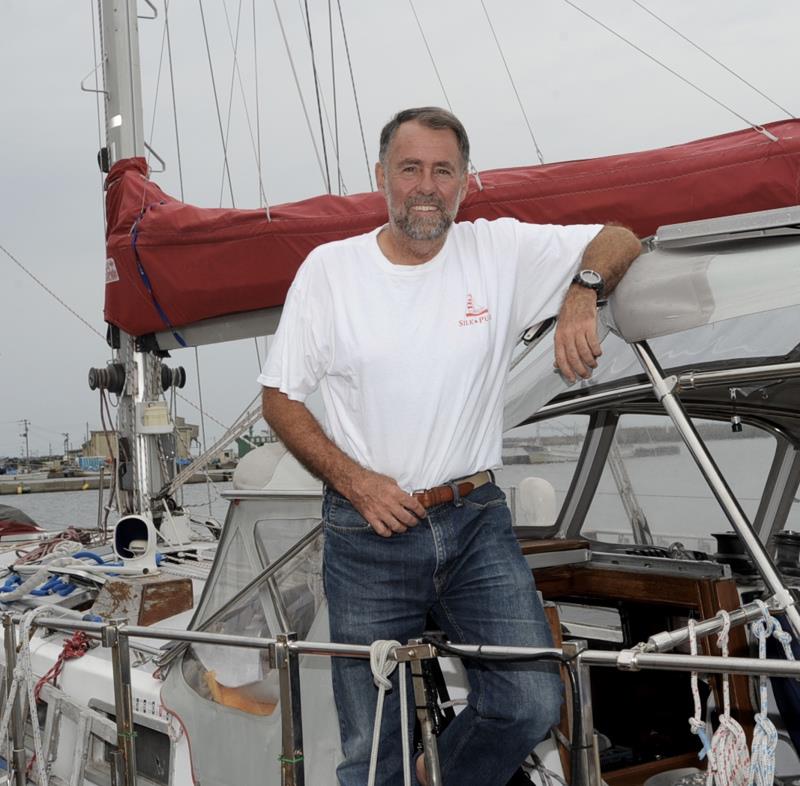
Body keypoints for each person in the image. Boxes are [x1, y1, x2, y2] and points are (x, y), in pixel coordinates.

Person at [258, 106, 641, 786]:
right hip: (368, 527)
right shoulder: (331, 272)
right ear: (381, 177)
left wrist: (582, 293)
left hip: (474, 520)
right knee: (372, 745)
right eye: (411, 169)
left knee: (529, 702)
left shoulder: (498, 252)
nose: (427, 186)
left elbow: (620, 237)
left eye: (443, 170)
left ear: (467, 182)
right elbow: (280, 399)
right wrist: (357, 482)